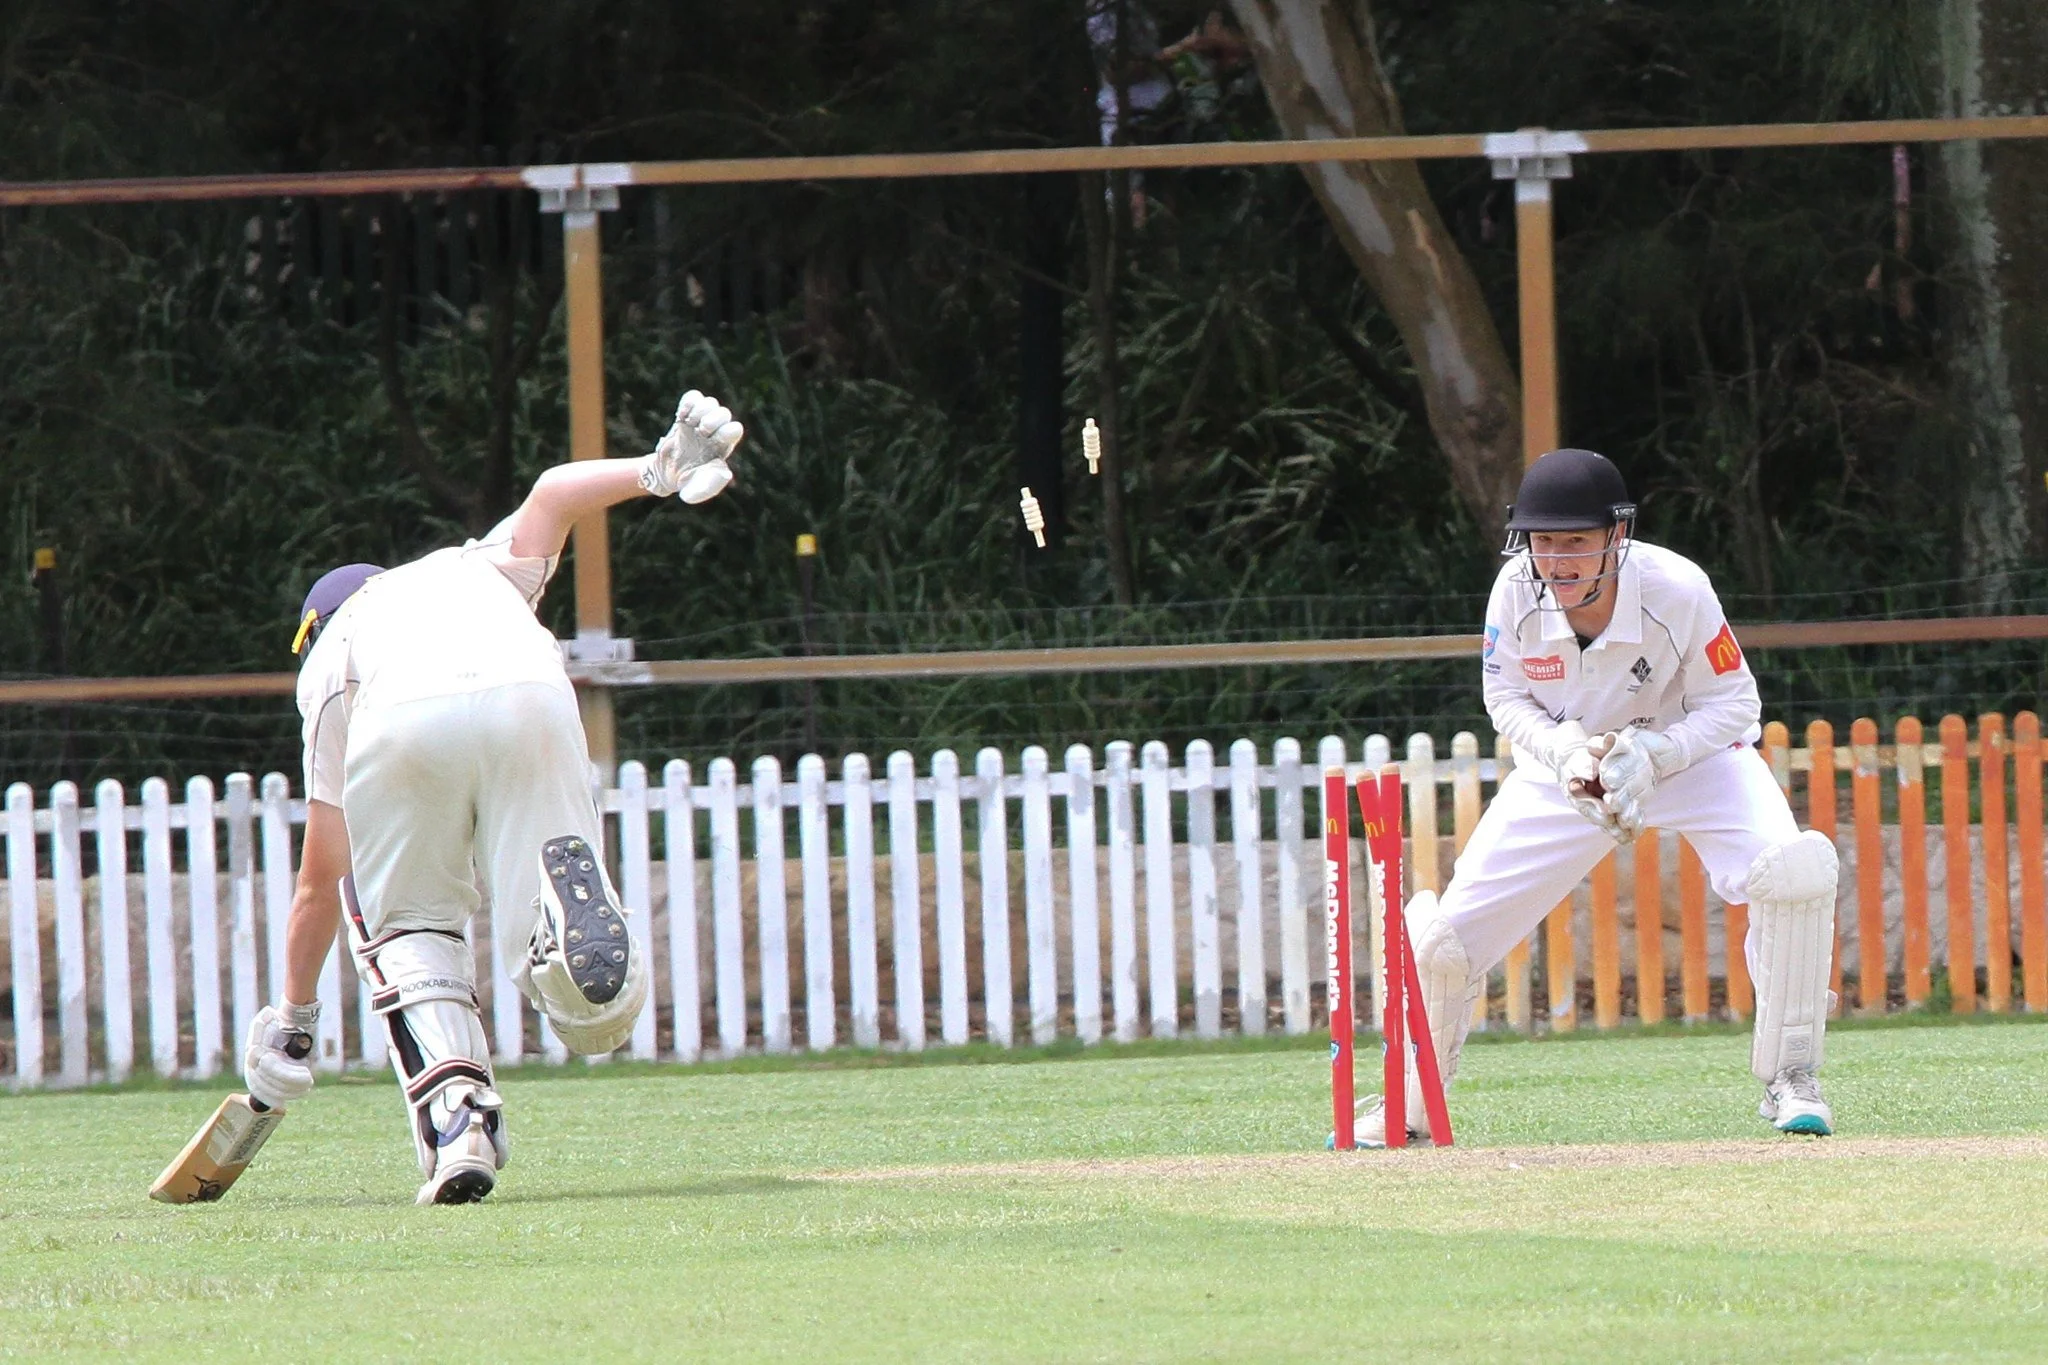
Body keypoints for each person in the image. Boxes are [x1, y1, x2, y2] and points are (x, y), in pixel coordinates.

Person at [241, 390, 744, 1204]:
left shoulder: (332, 657)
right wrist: (654, 471)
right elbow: (551, 494)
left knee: (404, 920)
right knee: (553, 917)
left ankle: (458, 1115)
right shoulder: (469, 568)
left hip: (399, 716)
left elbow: (319, 879)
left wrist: (291, 1018)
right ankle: (564, 946)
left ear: (314, 626)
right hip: (529, 689)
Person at [1357, 447, 1840, 1145]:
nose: (1557, 561)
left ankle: (1793, 1075)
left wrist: (1658, 754)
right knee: (1447, 941)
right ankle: (1412, 1102)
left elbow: (1736, 704)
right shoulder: (1515, 589)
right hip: (1566, 766)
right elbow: (1505, 695)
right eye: (1543, 542)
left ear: (1617, 535)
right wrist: (1562, 753)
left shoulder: (1679, 589)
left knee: (1791, 875)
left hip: (1692, 758)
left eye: (1576, 542)